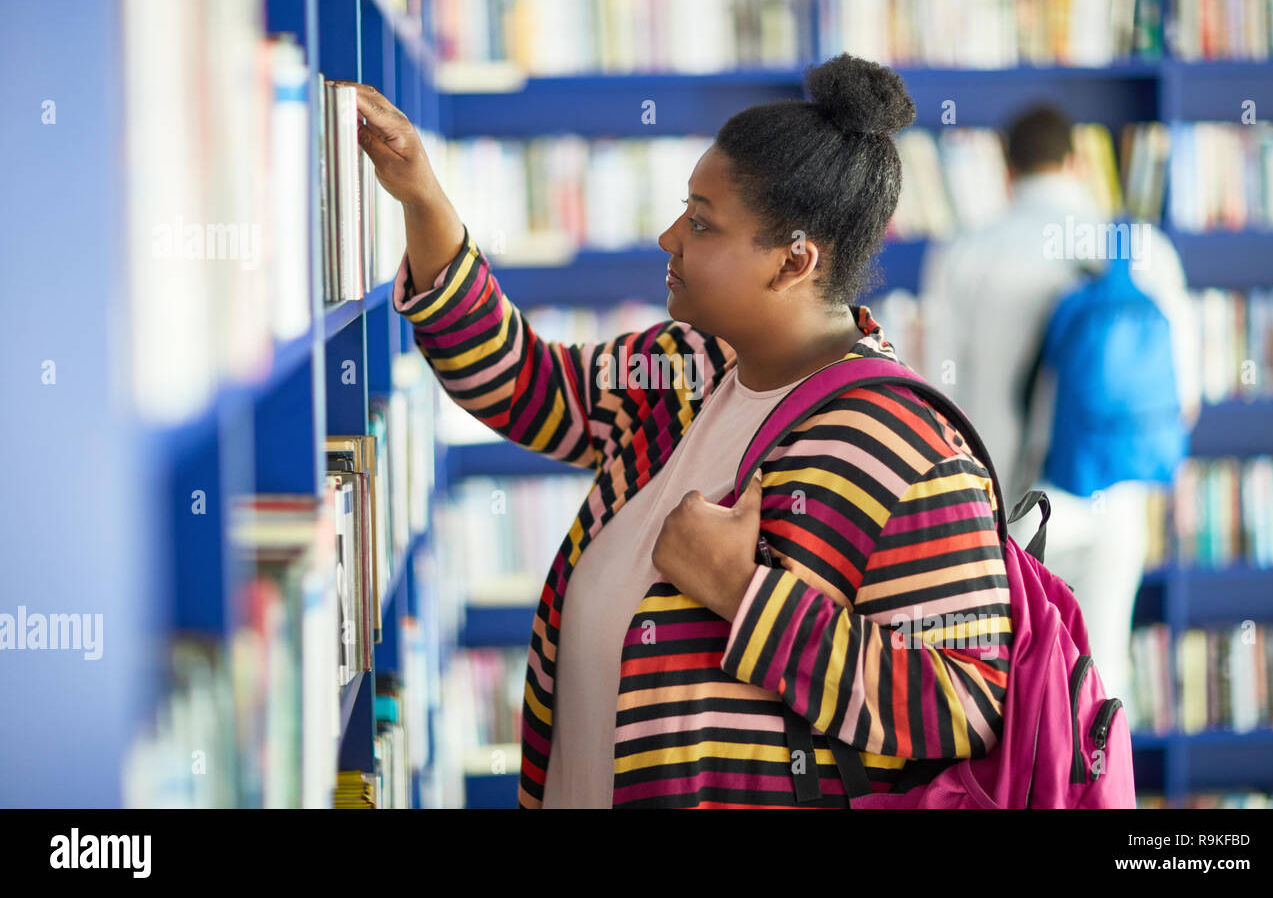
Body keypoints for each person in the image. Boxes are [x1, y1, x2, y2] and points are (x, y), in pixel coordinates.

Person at [350, 54, 1013, 809]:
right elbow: (521, 383)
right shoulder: (684, 370)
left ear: (794, 261)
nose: (670, 238)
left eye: (701, 222)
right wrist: (423, 199)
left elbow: (962, 699)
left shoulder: (903, 448)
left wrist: (743, 593)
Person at [918, 104, 1200, 716]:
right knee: (1103, 671)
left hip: (1005, 502)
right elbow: (1185, 401)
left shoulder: (967, 251)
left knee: (1006, 676)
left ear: (1007, 170)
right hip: (1112, 492)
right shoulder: (1141, 245)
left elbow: (932, 397)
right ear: (1076, 160)